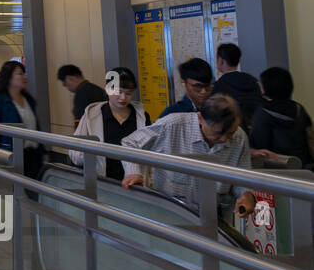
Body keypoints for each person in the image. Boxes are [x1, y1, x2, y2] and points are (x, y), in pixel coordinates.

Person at [121, 95, 257, 219]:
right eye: (217, 133)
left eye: (230, 133)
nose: (224, 139)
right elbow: (130, 143)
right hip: (169, 209)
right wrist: (133, 172)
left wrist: (246, 194)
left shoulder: (239, 137)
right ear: (200, 118)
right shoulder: (172, 125)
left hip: (214, 213)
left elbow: (241, 176)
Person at [67, 67, 150, 180]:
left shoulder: (142, 117)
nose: (123, 97)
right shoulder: (92, 115)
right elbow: (75, 153)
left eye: (128, 93)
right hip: (104, 182)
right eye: (118, 92)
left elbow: (151, 152)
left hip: (133, 183)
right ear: (107, 89)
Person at [0, 61, 44, 179]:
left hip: (32, 156)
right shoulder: (0, 101)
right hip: (11, 156)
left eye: (24, 73)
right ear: (9, 78)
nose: (24, 77)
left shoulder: (28, 100)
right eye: (20, 74)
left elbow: (36, 127)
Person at [250, 66, 314, 169]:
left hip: (278, 169)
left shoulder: (263, 113)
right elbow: (310, 139)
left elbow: (260, 148)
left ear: (267, 87)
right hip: (305, 167)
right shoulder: (299, 109)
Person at [213, 43, 263, 130]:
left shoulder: (219, 86)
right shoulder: (253, 81)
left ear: (220, 60)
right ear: (239, 60)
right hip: (256, 129)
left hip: (231, 131)